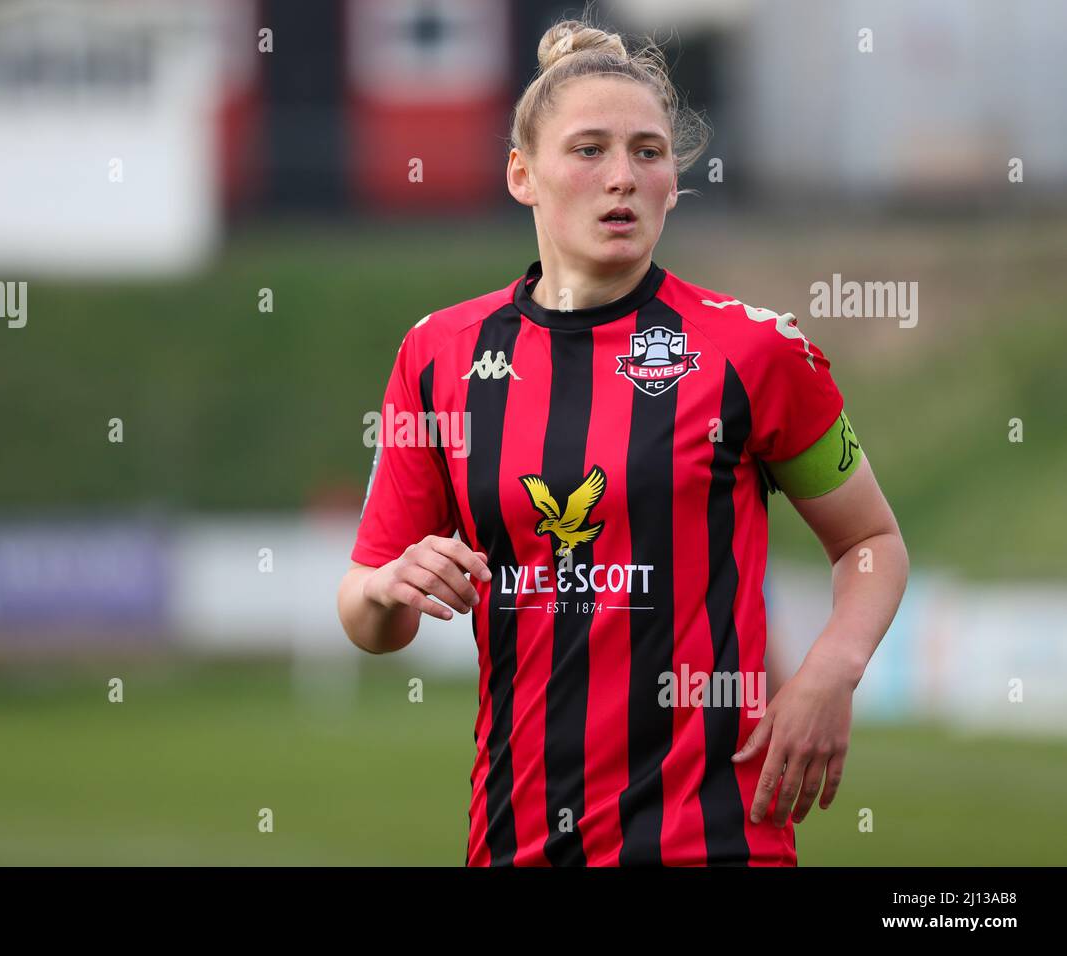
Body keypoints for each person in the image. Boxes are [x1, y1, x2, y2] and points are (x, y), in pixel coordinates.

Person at [337, 15, 908, 866]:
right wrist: (390, 585)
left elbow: (870, 540)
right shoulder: (440, 357)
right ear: (522, 176)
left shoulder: (757, 349)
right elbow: (366, 617)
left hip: (716, 837)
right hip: (516, 832)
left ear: (675, 181)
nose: (624, 179)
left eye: (648, 152)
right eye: (590, 150)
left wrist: (834, 667)